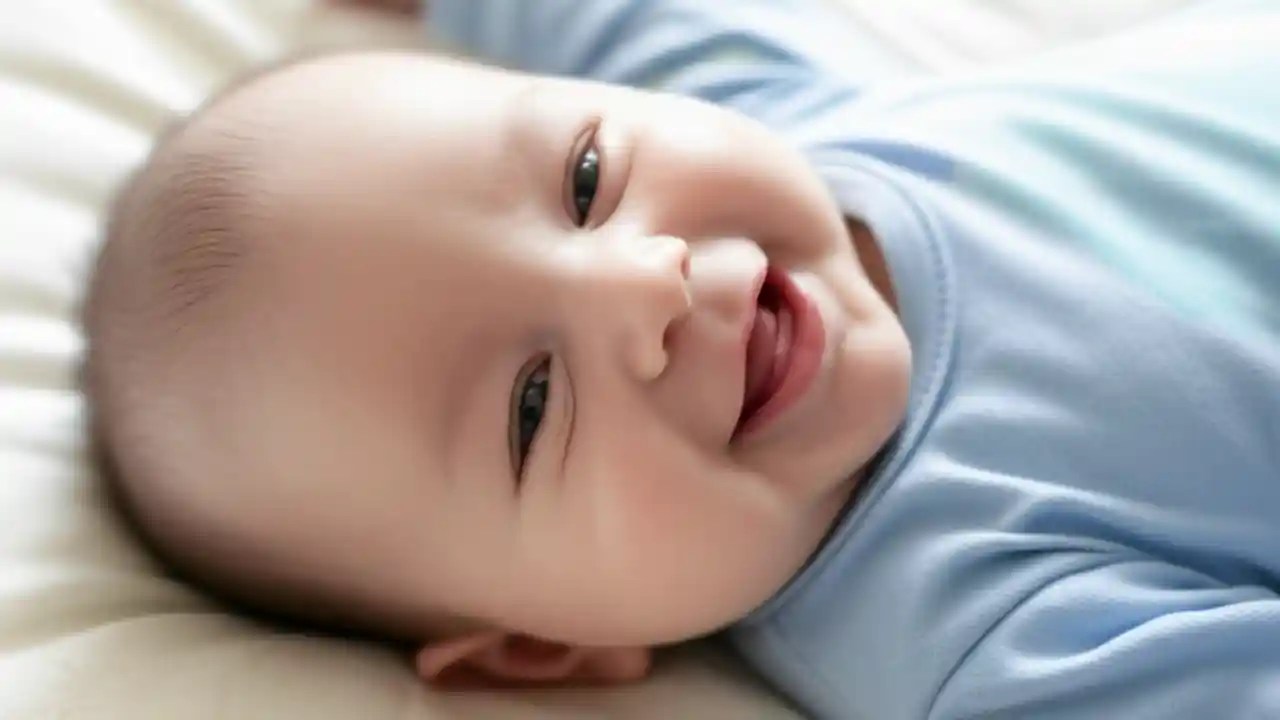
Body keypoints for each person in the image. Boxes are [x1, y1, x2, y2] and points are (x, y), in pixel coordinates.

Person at [82, 0, 1280, 716]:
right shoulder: (991, 632)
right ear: (538, 645)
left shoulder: (763, 113)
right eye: (532, 408)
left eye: (585, 180)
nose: (640, 285)